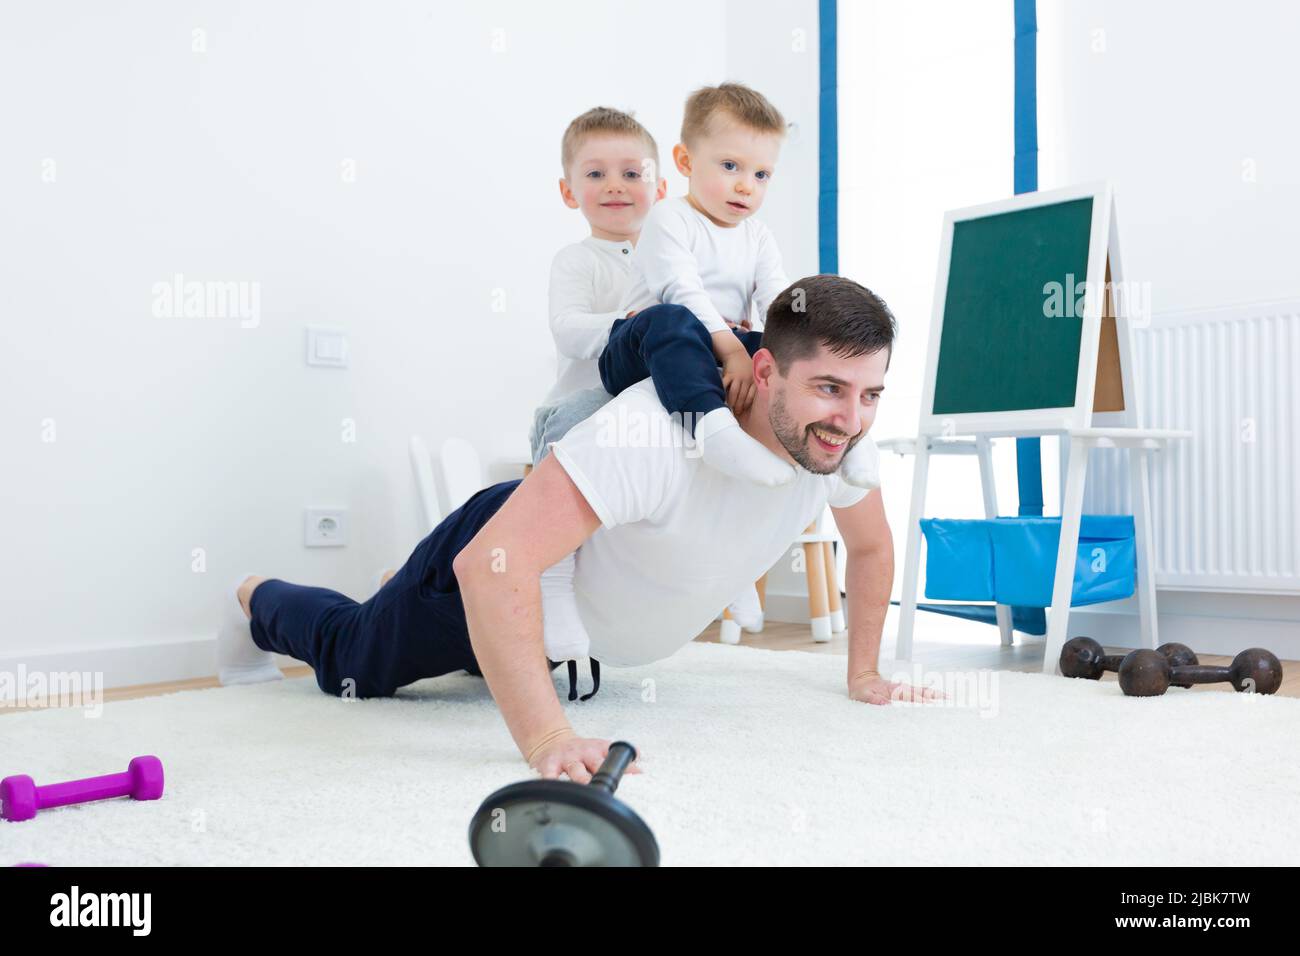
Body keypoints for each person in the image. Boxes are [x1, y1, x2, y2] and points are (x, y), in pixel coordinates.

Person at [217, 275, 939, 784]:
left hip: (551, 599)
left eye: (870, 394)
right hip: (500, 559)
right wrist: (547, 738)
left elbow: (871, 545)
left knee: (481, 661)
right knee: (354, 663)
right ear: (764, 370)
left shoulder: (836, 446)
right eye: (829, 388)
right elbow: (494, 565)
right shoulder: (658, 430)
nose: (851, 418)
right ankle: (255, 597)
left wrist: (865, 672)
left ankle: (396, 593)